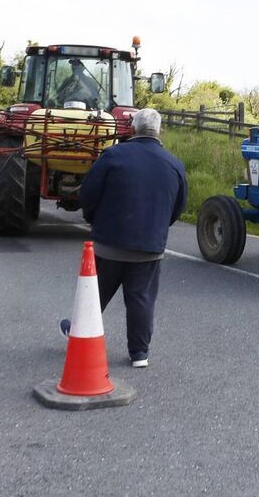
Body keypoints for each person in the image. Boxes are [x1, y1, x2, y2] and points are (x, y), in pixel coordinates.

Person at [62, 108, 187, 368]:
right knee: (141, 298)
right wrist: (157, 227)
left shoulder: (112, 156)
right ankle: (139, 353)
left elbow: (89, 194)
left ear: (132, 128)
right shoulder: (174, 165)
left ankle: (78, 332)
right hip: (150, 246)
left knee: (95, 293)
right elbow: (177, 207)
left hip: (109, 242)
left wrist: (93, 219)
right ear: (159, 130)